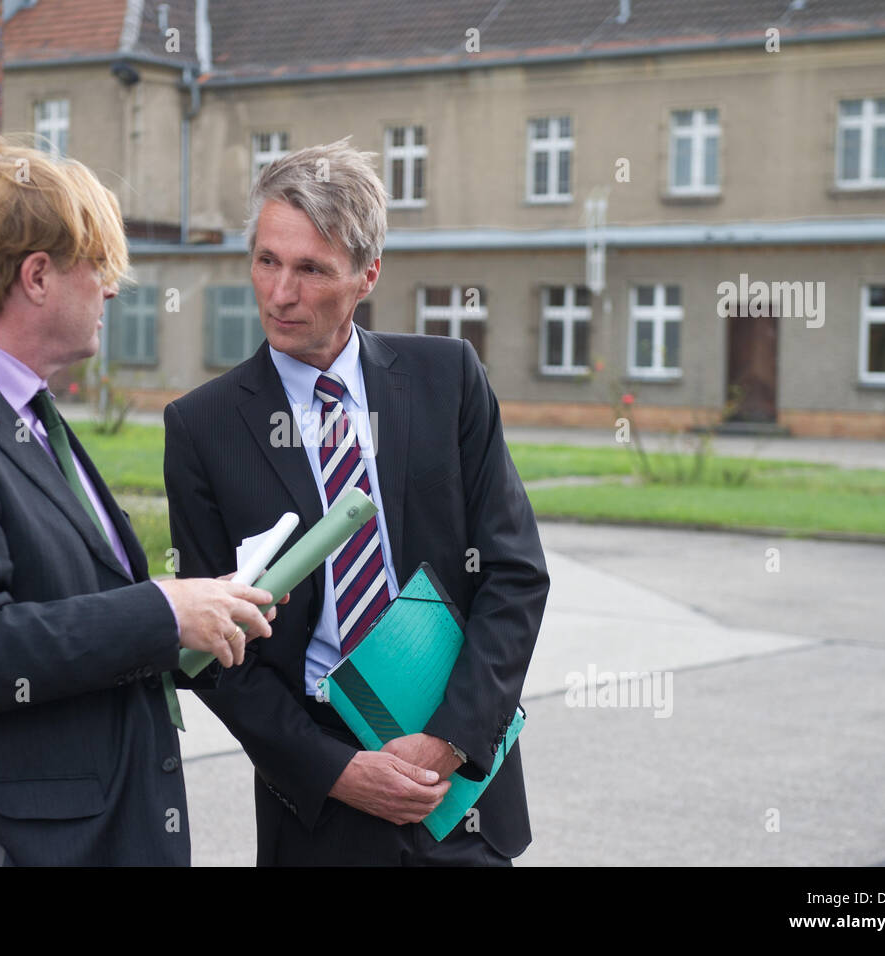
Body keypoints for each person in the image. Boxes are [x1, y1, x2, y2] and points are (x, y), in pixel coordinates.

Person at [0, 135, 277, 866]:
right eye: (97, 266)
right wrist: (163, 609)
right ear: (38, 276)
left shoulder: (22, 411)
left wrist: (200, 613)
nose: (111, 287)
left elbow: (73, 606)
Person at [163, 139, 549, 865]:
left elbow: (515, 574)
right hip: (318, 798)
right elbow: (211, 652)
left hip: (460, 785)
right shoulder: (203, 427)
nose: (280, 293)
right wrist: (335, 771)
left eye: (311, 269)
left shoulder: (448, 379)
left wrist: (451, 739)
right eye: (267, 260)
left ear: (368, 274)